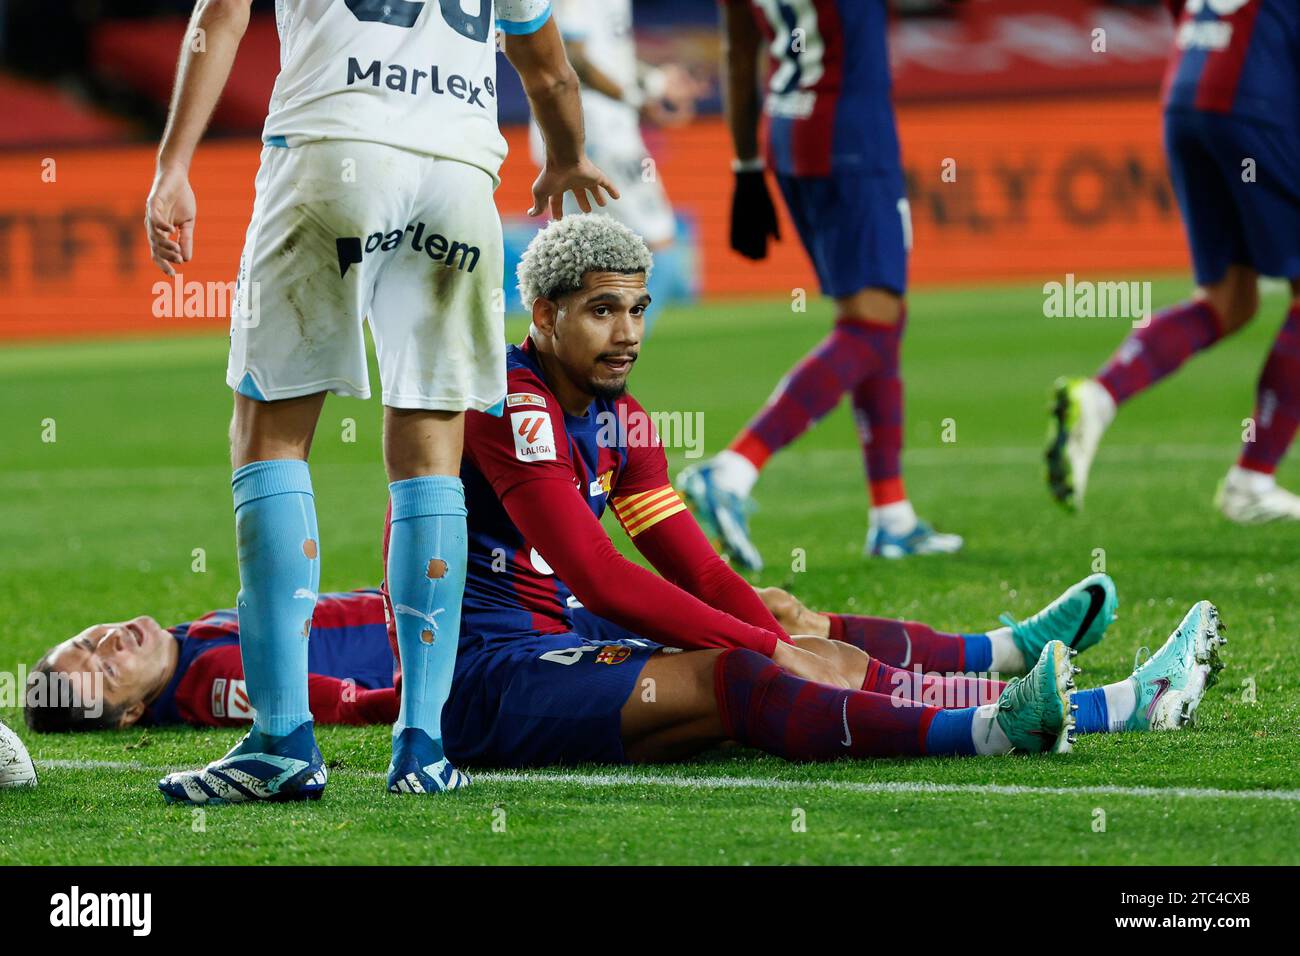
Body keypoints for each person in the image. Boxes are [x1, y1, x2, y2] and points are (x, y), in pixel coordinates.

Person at [379, 214, 1226, 776]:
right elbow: (601, 575)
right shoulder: (507, 401)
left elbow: (695, 568)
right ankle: (995, 727)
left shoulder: (625, 419)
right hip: (474, 680)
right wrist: (766, 647)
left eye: (639, 308)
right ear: (543, 311)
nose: (630, 333)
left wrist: (766, 626)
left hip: (549, 635)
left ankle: (1100, 703)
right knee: (743, 672)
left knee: (774, 620)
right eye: (603, 311)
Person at [142, 0, 617, 805]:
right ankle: (425, 746)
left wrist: (173, 165)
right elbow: (551, 68)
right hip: (458, 179)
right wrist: (567, 157)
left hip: (332, 150)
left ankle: (282, 741)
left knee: (271, 438)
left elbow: (217, 17)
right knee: (431, 452)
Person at [19, 573, 1127, 734]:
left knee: (767, 607)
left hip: (508, 614)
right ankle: (992, 689)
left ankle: (1001, 653)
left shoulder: (205, 634)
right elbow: (353, 700)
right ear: (124, 715)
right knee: (764, 636)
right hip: (510, 648)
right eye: (99, 665)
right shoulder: (219, 681)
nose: (108, 638)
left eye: (88, 634)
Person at [676, 0, 960, 569]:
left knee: (877, 319)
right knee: (871, 326)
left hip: (789, 129)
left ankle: (892, 516)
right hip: (852, 135)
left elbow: (739, 51)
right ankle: (733, 468)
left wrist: (746, 167)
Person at [1047, 0, 1300, 521]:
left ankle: (1101, 395)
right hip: (1256, 98)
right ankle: (1252, 478)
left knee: (1227, 300)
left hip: (1187, 92)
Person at [528, 0, 705, 329]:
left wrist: (653, 82)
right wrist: (634, 98)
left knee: (582, 265)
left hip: (575, 133)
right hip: (598, 134)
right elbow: (570, 57)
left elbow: (607, 54)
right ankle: (604, 359)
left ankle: (569, 367)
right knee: (658, 247)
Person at [24, 592, 399, 733]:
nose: (111, 641)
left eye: (86, 640)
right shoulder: (211, 682)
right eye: (106, 669)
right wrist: (424, 696)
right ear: (132, 713)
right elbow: (337, 704)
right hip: (431, 632)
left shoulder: (175, 651)